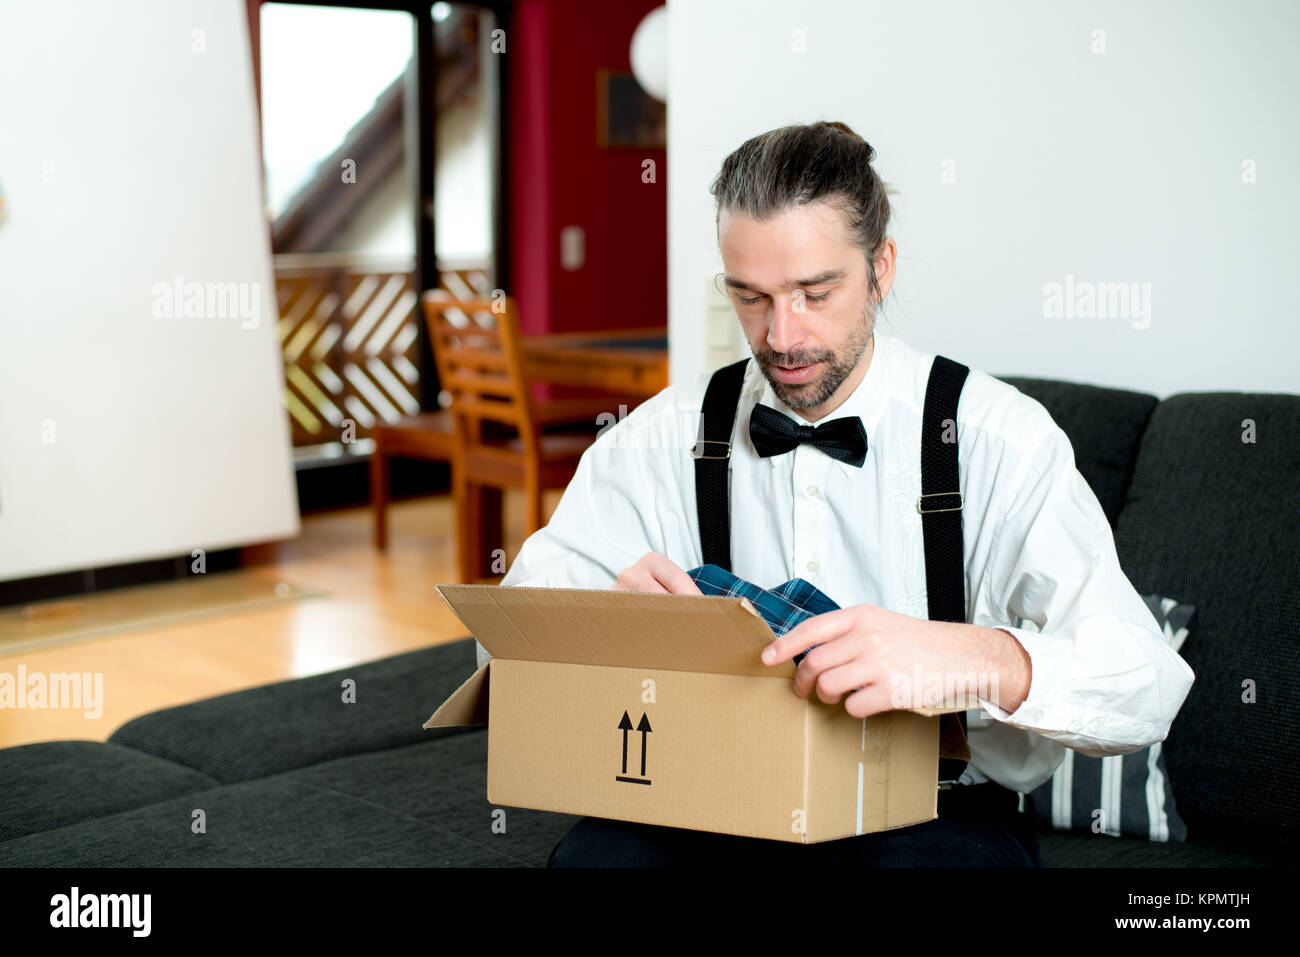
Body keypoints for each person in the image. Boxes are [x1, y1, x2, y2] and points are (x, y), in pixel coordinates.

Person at [488, 120, 1195, 867]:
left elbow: (1146, 684)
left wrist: (971, 655)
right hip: (708, 800)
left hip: (931, 814)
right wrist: (602, 630)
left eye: (815, 292)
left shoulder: (1000, 439)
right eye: (750, 297)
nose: (783, 335)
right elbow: (504, 641)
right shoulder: (662, 436)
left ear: (882, 269)